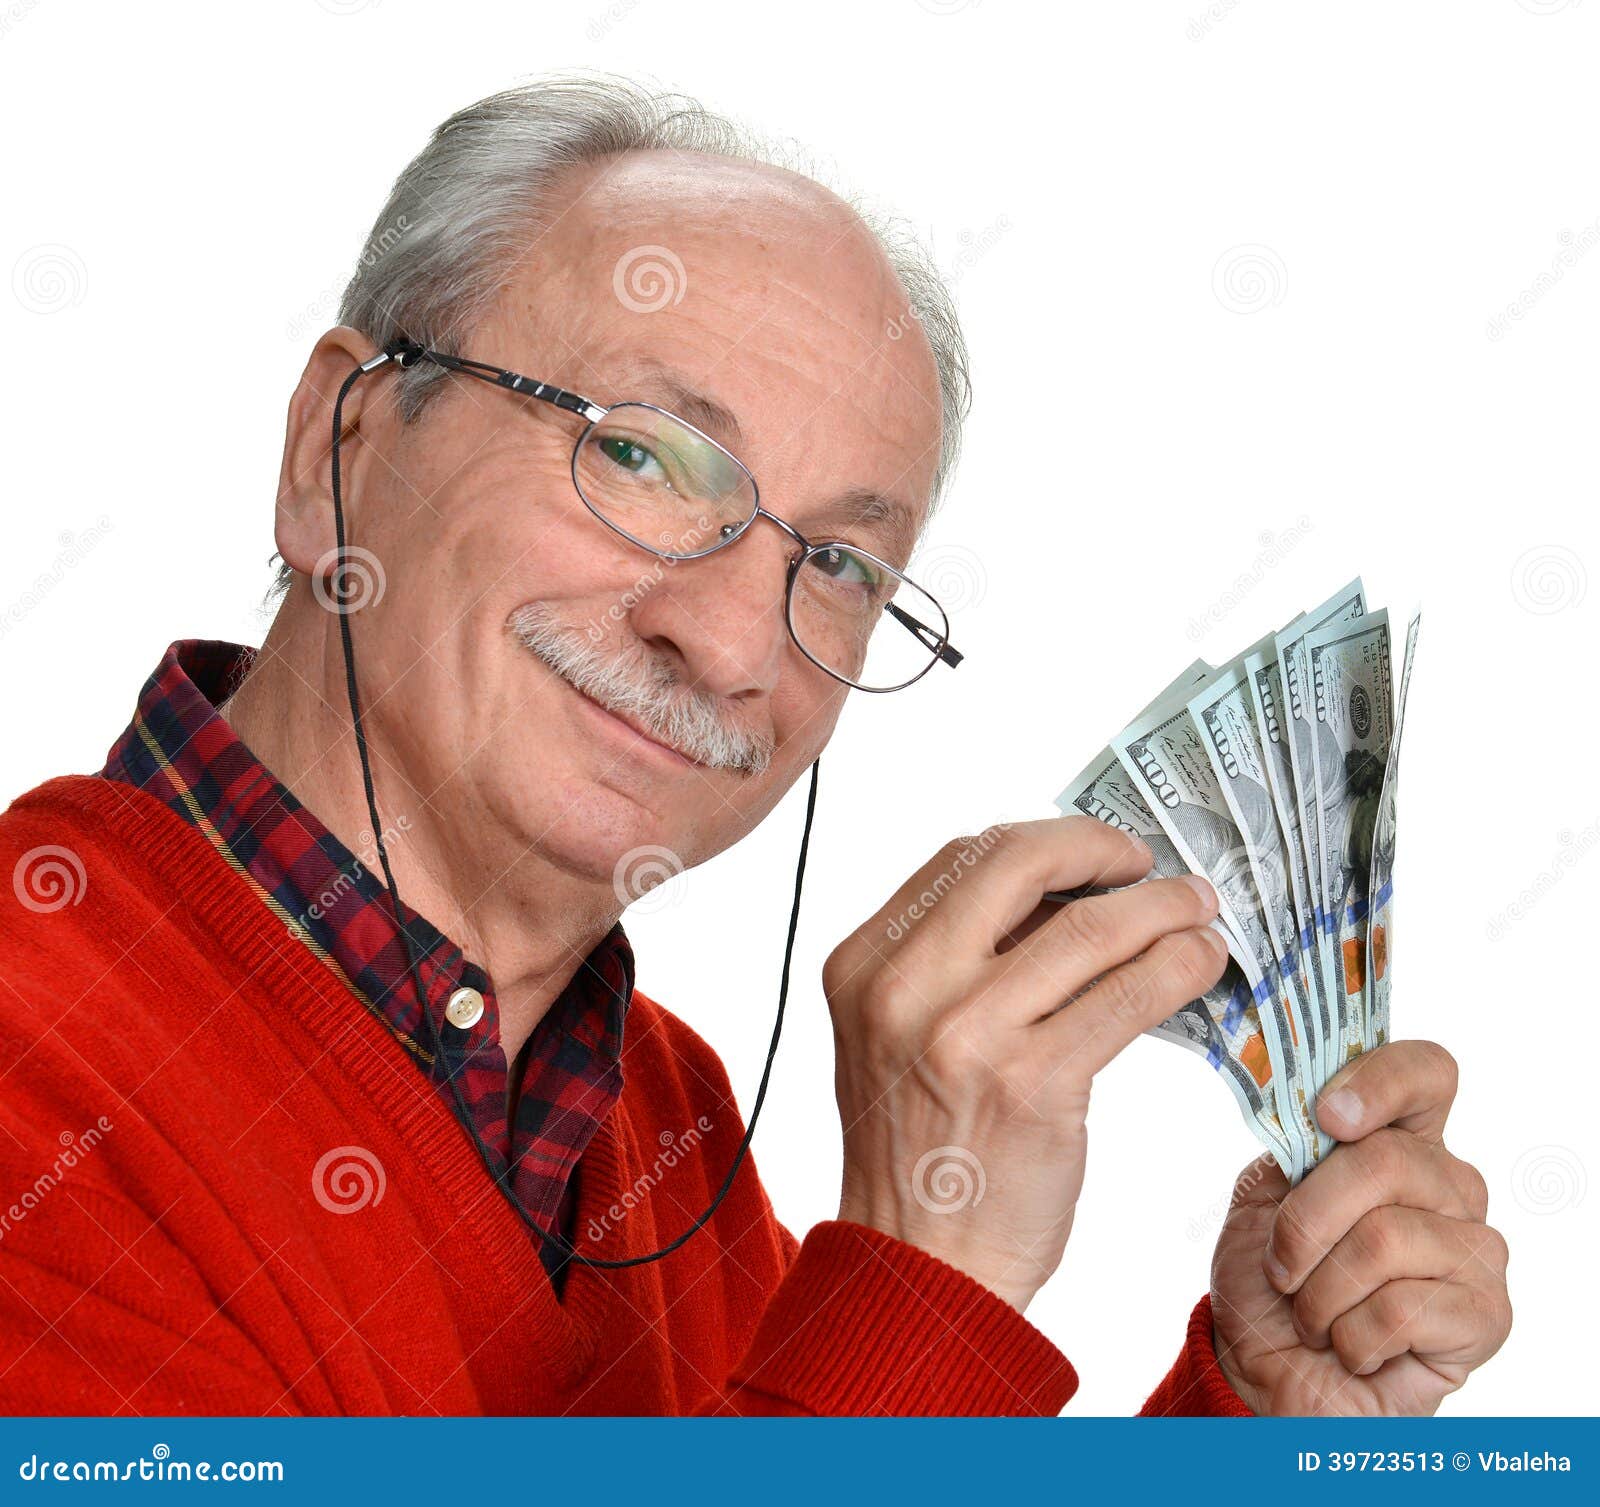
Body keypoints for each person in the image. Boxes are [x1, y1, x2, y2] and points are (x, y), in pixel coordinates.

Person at [0, 74, 1509, 1416]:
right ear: (339, 450)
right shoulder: (32, 1068)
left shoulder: (656, 1111)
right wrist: (931, 1272)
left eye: (839, 565)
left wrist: (1259, 1415)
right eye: (642, 455)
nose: (729, 643)